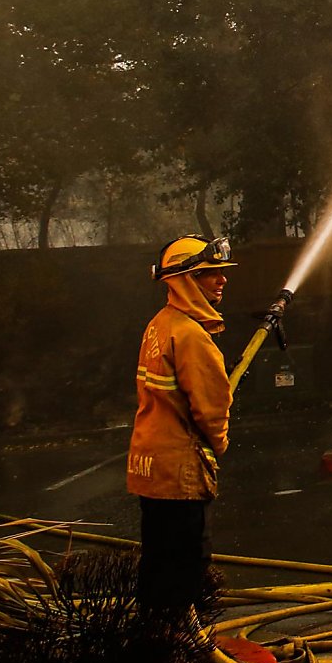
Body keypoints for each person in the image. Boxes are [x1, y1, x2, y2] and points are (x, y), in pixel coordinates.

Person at [127, 234, 234, 611]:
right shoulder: (192, 337)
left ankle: (152, 642)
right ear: (187, 279)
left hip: (151, 468)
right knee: (188, 566)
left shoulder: (161, 324)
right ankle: (177, 648)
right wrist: (217, 444)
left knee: (158, 562)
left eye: (221, 272)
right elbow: (211, 409)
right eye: (211, 273)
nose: (222, 279)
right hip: (179, 472)